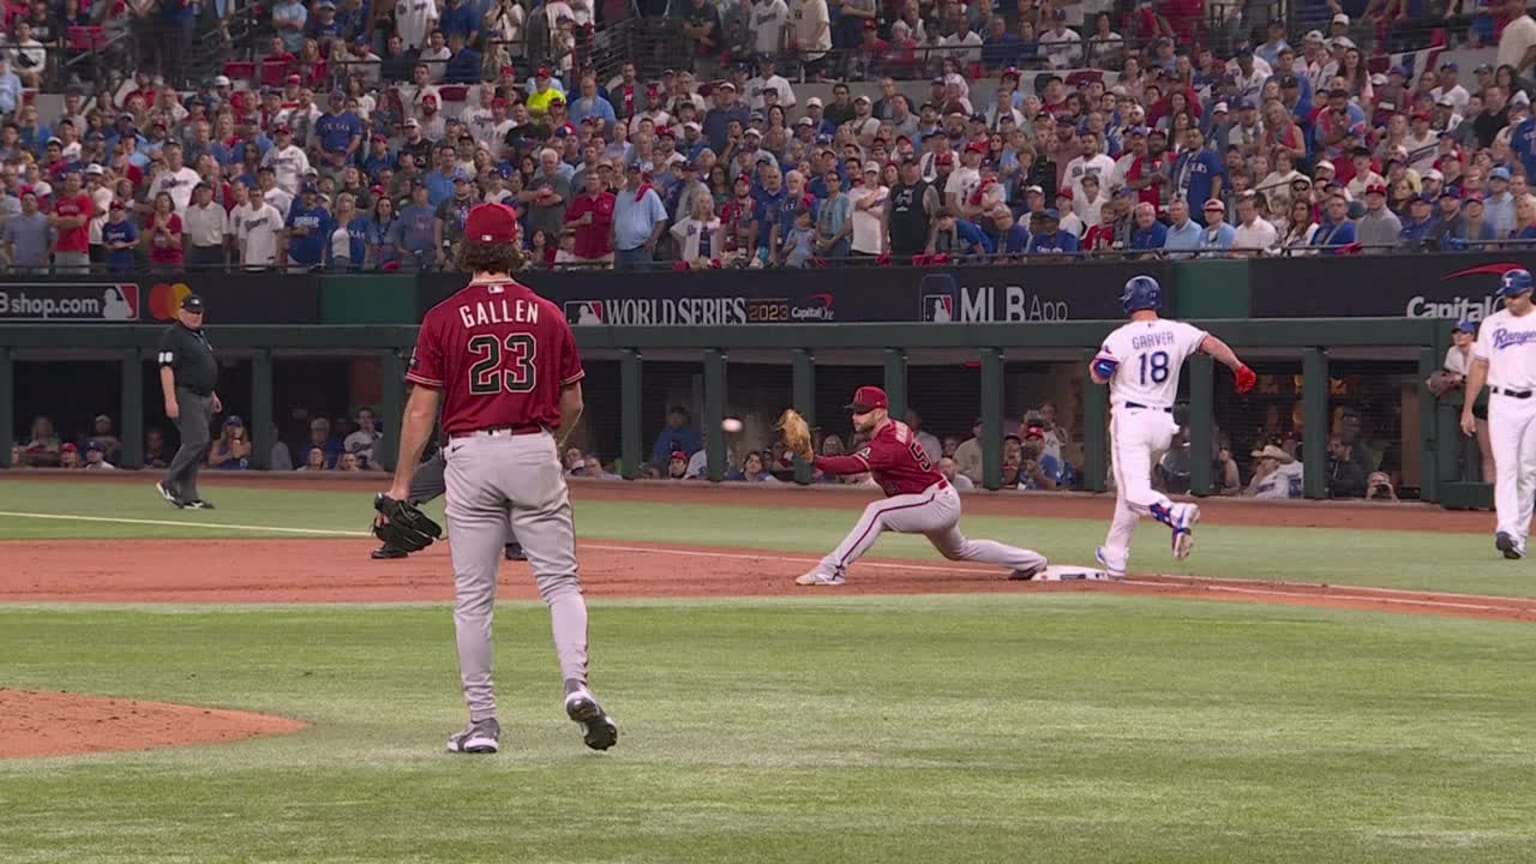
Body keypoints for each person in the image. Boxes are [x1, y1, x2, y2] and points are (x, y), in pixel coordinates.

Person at [379, 201, 615, 754]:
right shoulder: (548, 312)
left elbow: (420, 410)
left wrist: (400, 486)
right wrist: (545, 446)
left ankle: (483, 724)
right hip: (533, 446)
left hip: (469, 455)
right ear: (514, 247)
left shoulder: (443, 316)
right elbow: (573, 400)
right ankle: (576, 684)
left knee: (473, 600)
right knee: (559, 583)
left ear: (466, 249)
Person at [792, 386, 1048, 586]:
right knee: (960, 550)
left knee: (877, 512)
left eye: (862, 411)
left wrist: (814, 459)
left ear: (879, 412)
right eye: (855, 410)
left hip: (933, 501)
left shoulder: (890, 442)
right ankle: (1032, 562)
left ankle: (832, 570)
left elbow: (852, 465)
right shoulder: (893, 429)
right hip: (935, 498)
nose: (855, 417)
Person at [1089, 276, 1255, 577]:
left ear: (1129, 303)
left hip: (1132, 419)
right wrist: (1238, 367)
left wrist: (1097, 367)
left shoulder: (1121, 336)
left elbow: (1100, 373)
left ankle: (1175, 512)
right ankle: (1115, 555)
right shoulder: (1178, 330)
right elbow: (1212, 344)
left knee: (1135, 492)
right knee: (1130, 490)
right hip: (1163, 424)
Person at [1459, 268, 1536, 559]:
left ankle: (1519, 536)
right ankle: (1505, 529)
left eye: (1515, 295)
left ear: (1529, 292)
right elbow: (1479, 366)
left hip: (1533, 400)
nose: (1510, 301)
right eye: (1506, 296)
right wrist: (1468, 407)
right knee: (1506, 467)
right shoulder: (1492, 323)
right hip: (1501, 400)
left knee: (1528, 470)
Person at [155, 294, 222, 509]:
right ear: (181, 312)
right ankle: (169, 482)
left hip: (204, 396)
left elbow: (202, 367)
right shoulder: (173, 335)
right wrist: (170, 400)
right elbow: (166, 368)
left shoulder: (199, 336)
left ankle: (189, 495)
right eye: (191, 312)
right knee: (197, 440)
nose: (196, 316)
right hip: (187, 395)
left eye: (199, 313)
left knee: (197, 443)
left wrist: (212, 394)